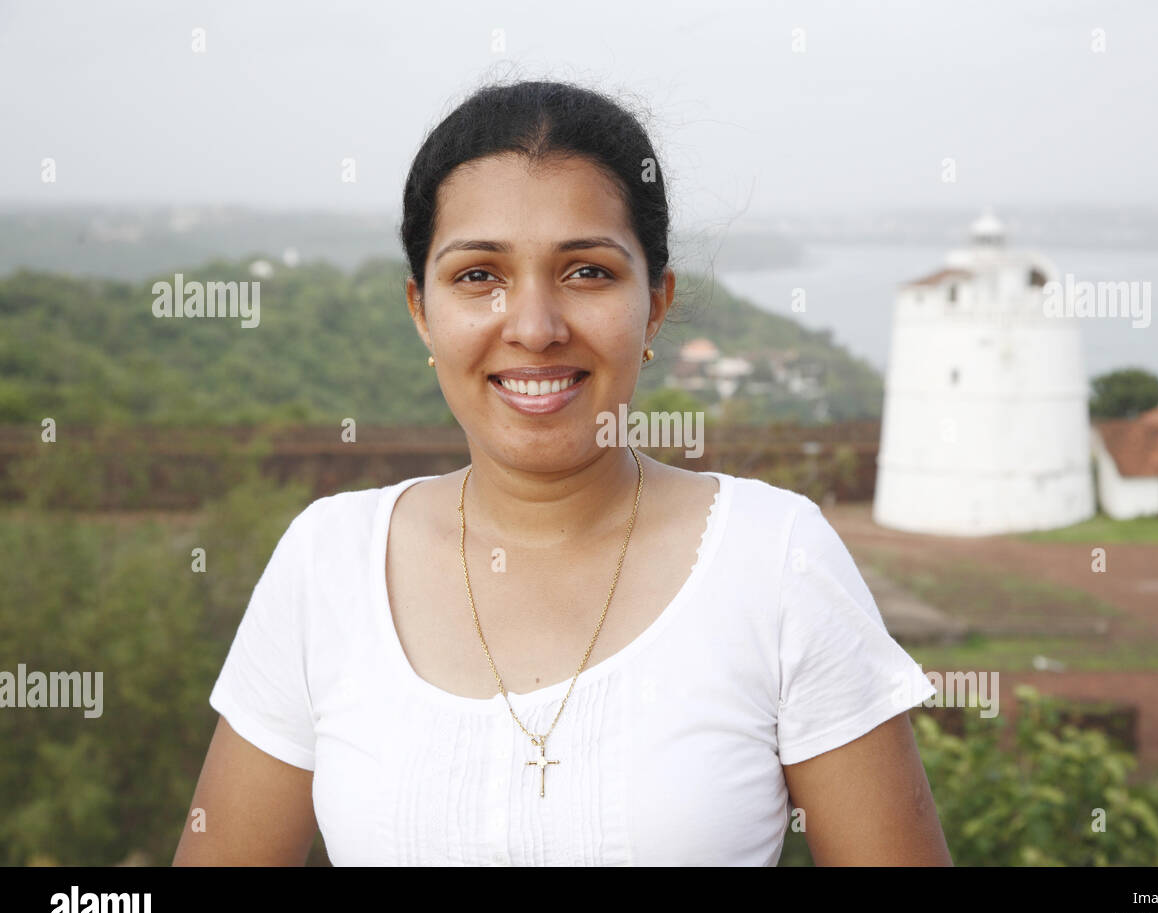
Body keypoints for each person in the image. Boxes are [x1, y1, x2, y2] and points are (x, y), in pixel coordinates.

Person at [173, 78, 951, 866]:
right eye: (479, 276)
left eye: (587, 272)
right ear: (421, 311)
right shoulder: (328, 562)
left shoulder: (775, 561)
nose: (536, 328)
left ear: (655, 305)